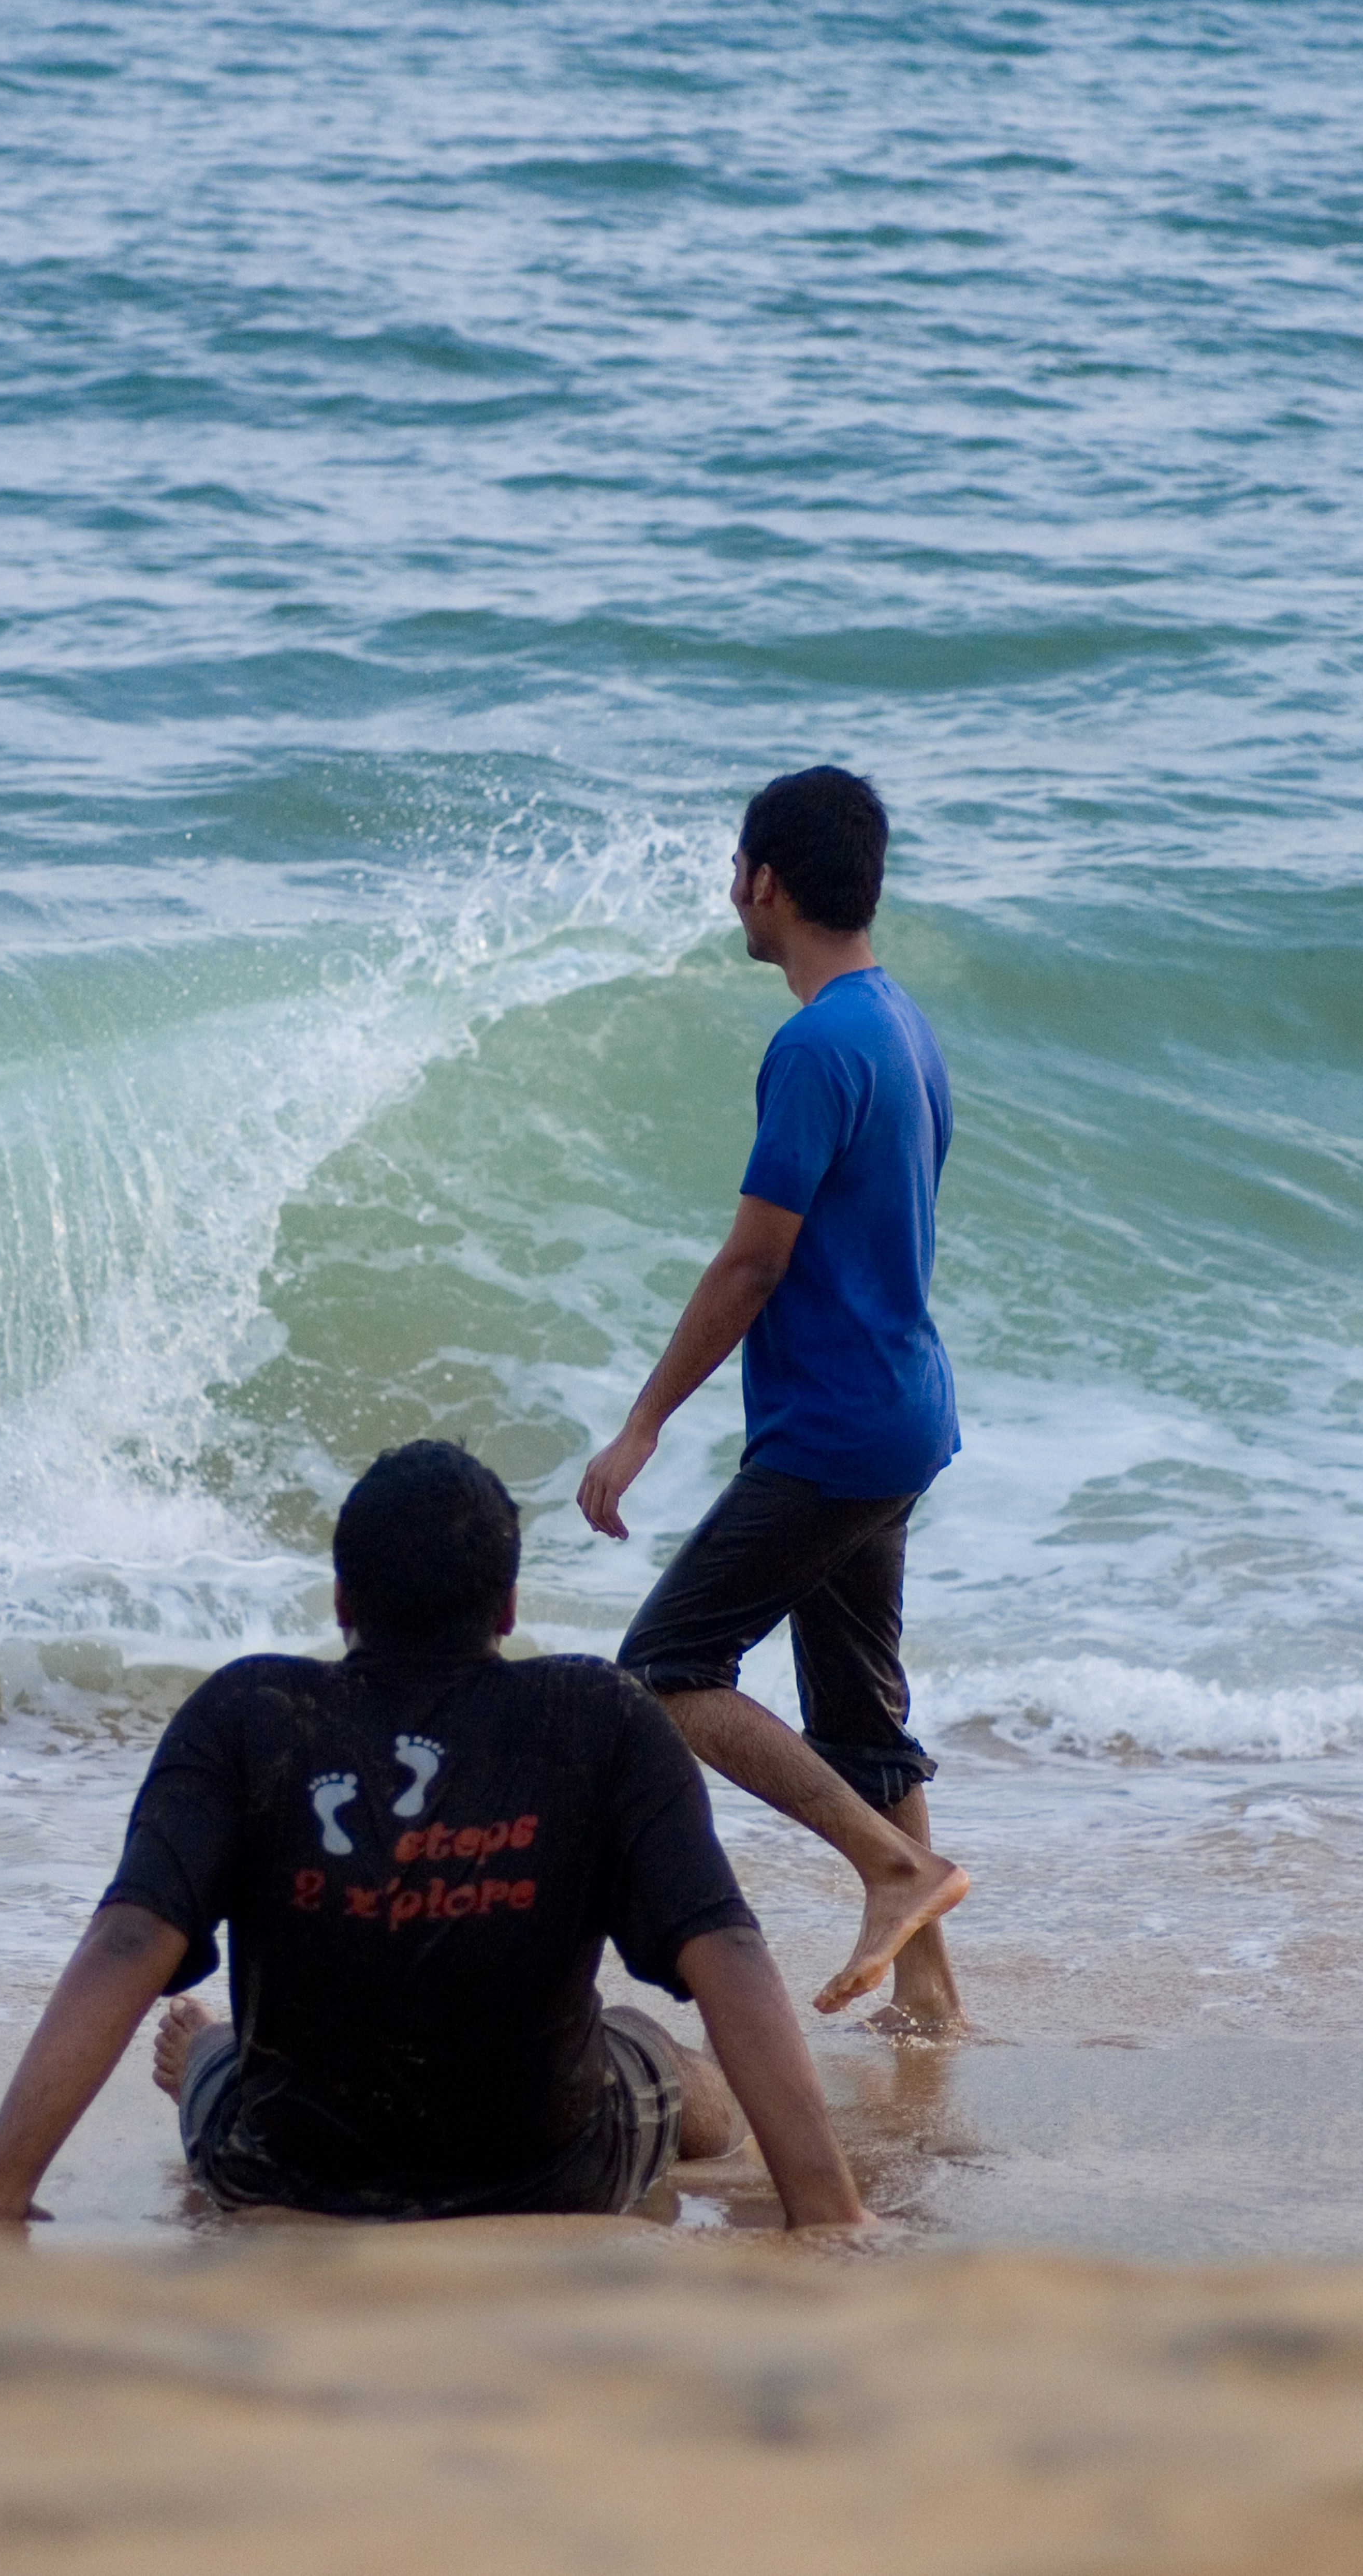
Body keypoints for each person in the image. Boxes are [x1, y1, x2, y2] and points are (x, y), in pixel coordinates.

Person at [0, 1442, 871, 2230]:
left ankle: (210, 2053)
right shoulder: (598, 1715)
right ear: (506, 1608)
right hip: (558, 2170)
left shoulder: (247, 1711)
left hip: (278, 2170)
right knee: (654, 2042)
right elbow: (726, 1944)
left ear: (342, 1602)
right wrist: (828, 2212)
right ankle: (220, 2050)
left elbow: (127, 1939)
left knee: (219, 2062)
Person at [578, 766, 969, 2035]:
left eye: (734, 869)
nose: (728, 891)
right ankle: (930, 2001)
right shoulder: (898, 1021)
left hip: (835, 1431)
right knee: (859, 1710)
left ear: (768, 881)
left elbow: (754, 1260)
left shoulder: (811, 1047)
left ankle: (890, 1867)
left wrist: (640, 1426)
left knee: (665, 1665)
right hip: (903, 1411)